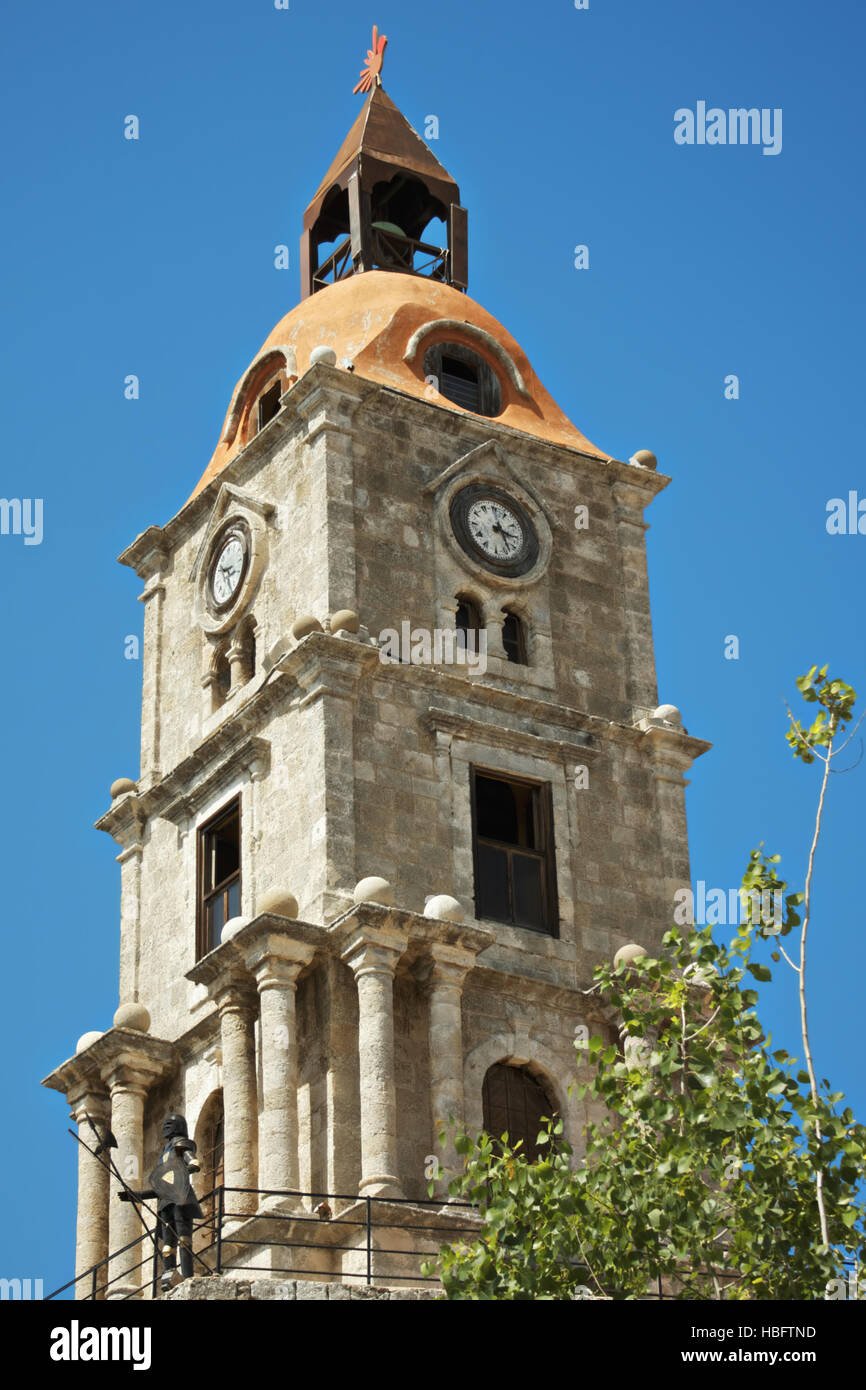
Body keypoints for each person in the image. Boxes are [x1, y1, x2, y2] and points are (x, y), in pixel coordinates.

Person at [118, 1112, 204, 1291]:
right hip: (165, 1201)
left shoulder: (180, 1144)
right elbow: (160, 1188)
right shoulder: (164, 1154)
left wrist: (179, 1174)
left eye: (170, 1124)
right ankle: (169, 1279)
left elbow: (194, 1163)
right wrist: (135, 1196)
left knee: (183, 1238)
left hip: (180, 1196)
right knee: (167, 1245)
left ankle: (188, 1276)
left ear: (178, 1127)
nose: (165, 1127)